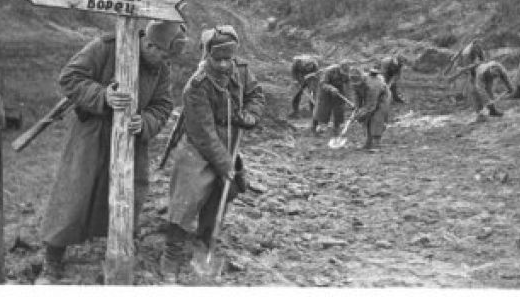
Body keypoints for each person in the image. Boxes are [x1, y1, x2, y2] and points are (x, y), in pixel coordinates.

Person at [37, 20, 188, 283]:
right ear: (149, 43)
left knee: (130, 193)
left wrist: (146, 122)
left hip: (131, 140)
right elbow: (69, 78)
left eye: (167, 57)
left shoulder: (161, 68)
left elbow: (163, 104)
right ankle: (52, 259)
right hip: (92, 134)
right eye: (161, 53)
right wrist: (103, 95)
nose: (163, 60)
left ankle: (121, 246)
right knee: (74, 193)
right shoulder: (106, 47)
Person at [161, 25, 265, 280]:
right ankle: (171, 253)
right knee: (187, 195)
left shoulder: (241, 70)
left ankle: (205, 241)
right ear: (207, 55)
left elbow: (255, 94)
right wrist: (225, 164)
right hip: (198, 146)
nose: (223, 65)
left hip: (228, 140)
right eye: (217, 59)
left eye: (227, 59)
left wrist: (251, 115)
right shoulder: (196, 86)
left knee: (222, 192)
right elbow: (204, 133)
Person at [351, 67, 391, 152]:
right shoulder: (354, 81)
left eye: (358, 83)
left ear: (362, 78)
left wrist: (359, 115)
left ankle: (377, 144)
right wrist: (357, 108)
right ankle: (368, 142)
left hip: (382, 98)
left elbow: (371, 105)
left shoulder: (372, 85)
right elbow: (357, 95)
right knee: (366, 120)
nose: (356, 85)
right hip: (369, 98)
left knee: (377, 118)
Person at [311, 60, 353, 137]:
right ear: (339, 68)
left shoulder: (348, 73)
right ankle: (314, 128)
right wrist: (331, 88)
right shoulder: (329, 71)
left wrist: (349, 98)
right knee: (321, 110)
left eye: (345, 73)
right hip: (325, 91)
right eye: (343, 72)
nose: (344, 74)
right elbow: (322, 83)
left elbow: (348, 85)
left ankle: (336, 129)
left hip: (338, 90)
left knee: (339, 110)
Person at [289, 54, 320, 118]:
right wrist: (295, 80)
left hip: (311, 78)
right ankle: (295, 112)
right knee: (297, 94)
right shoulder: (297, 63)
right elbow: (293, 72)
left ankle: (314, 113)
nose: (309, 68)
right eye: (308, 67)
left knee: (312, 94)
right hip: (300, 77)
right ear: (305, 65)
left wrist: (312, 87)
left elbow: (317, 76)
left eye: (310, 67)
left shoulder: (315, 65)